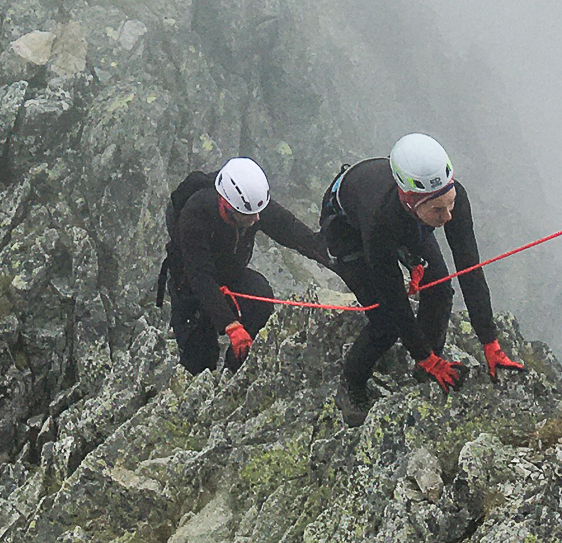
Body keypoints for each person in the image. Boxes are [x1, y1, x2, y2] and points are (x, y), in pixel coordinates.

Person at [320, 133, 524, 427]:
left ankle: (426, 365)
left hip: (408, 220)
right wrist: (423, 354)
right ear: (409, 199)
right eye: (439, 209)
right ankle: (351, 384)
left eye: (450, 203)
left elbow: (469, 268)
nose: (449, 216)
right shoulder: (381, 223)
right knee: (385, 322)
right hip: (347, 233)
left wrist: (489, 341)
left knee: (440, 289)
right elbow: (394, 299)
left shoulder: (450, 200)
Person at [160, 157, 334, 375]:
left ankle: (235, 373)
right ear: (227, 206)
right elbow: (200, 277)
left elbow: (290, 231)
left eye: (258, 212)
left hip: (229, 277)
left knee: (260, 298)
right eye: (248, 215)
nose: (257, 218)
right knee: (199, 360)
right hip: (190, 288)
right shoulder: (196, 214)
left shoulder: (250, 205)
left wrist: (332, 258)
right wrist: (230, 325)